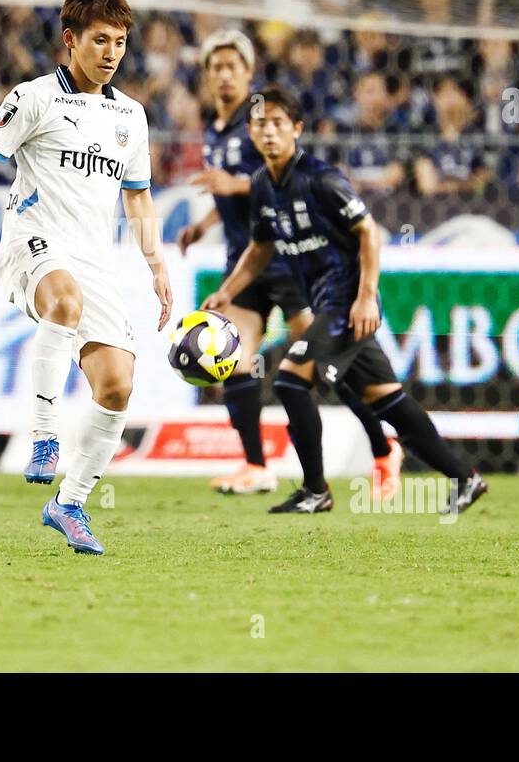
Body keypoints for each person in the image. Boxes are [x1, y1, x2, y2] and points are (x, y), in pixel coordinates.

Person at [0, 0, 172, 555]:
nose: (111, 53)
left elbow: (138, 198)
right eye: (100, 40)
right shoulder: (33, 99)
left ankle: (69, 503)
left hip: (95, 257)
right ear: (71, 39)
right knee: (65, 301)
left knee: (118, 386)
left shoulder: (131, 116)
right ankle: (44, 436)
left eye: (121, 43)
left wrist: (156, 265)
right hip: (33, 241)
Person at [202, 85, 487, 515]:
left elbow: (368, 231)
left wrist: (366, 298)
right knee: (386, 398)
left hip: (346, 303)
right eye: (261, 124)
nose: (270, 132)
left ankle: (316, 491)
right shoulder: (261, 184)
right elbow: (260, 248)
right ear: (250, 132)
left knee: (289, 381)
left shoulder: (321, 179)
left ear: (297, 128)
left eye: (279, 123)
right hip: (325, 304)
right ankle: (466, 477)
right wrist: (226, 291)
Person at [178, 30, 401, 498]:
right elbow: (244, 194)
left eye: (232, 67)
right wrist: (204, 223)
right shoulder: (214, 127)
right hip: (245, 262)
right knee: (232, 361)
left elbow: (264, 183)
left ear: (248, 71)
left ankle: (384, 449)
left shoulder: (258, 121)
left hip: (292, 263)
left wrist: (230, 186)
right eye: (215, 67)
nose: (223, 75)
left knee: (330, 365)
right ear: (206, 75)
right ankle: (256, 466)